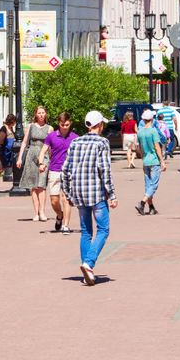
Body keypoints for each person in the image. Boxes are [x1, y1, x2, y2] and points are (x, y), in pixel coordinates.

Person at [61, 111, 118, 286]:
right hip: (96, 193)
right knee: (103, 230)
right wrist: (112, 194)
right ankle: (89, 264)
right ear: (99, 124)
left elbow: (65, 170)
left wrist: (68, 193)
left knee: (86, 232)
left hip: (79, 194)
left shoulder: (75, 142)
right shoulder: (102, 142)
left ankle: (88, 270)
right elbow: (104, 170)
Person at [43, 112, 78, 232]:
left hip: (68, 171)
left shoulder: (75, 138)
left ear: (70, 123)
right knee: (54, 201)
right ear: (58, 123)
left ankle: (66, 225)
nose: (65, 127)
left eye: (67, 125)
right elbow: (43, 151)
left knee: (65, 198)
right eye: (62, 124)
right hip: (54, 170)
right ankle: (59, 215)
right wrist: (41, 163)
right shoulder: (51, 136)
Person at [18, 106, 52, 221]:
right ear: (36, 115)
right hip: (31, 155)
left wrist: (53, 160)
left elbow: (51, 146)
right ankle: (36, 213)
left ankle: (42, 212)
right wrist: (19, 158)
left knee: (42, 185)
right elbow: (23, 143)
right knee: (34, 186)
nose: (41, 115)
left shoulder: (49, 128)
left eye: (43, 113)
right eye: (39, 113)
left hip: (44, 156)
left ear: (46, 114)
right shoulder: (30, 126)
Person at [135, 110, 166, 215]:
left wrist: (143, 158)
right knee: (153, 185)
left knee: (148, 185)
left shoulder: (139, 132)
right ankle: (142, 203)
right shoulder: (153, 131)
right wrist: (162, 161)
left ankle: (151, 207)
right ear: (152, 119)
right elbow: (157, 147)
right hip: (154, 160)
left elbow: (140, 147)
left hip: (146, 161)